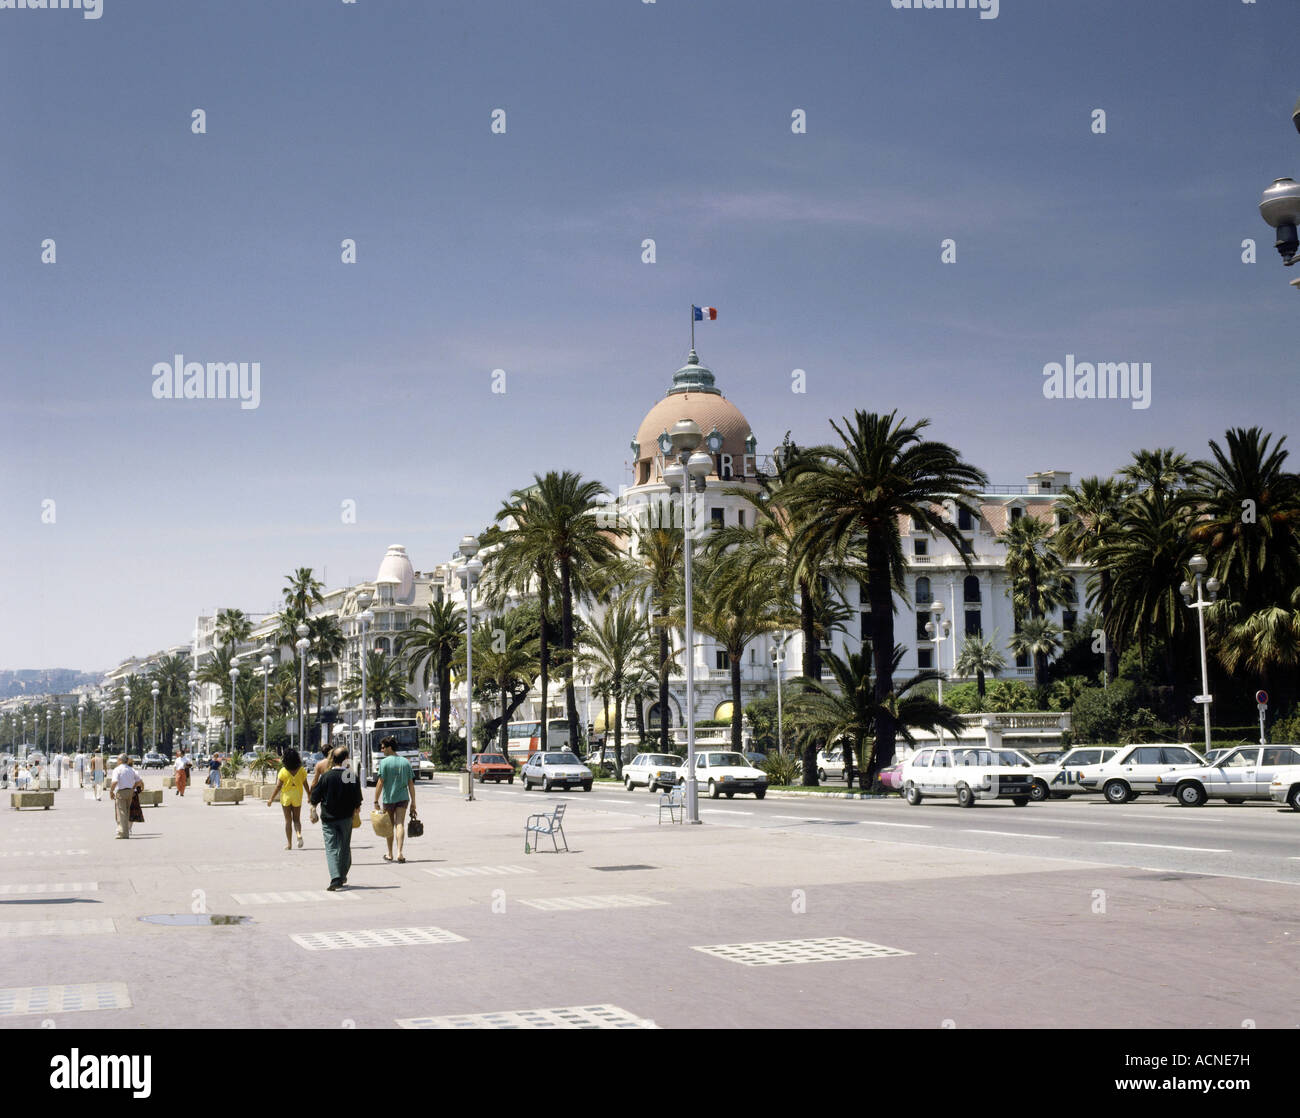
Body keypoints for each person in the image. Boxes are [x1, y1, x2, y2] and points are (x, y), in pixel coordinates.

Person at [309, 746, 362, 891]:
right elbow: (357, 798)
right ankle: (342, 875)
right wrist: (356, 808)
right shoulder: (351, 775)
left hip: (328, 818)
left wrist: (313, 808)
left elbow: (315, 796)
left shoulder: (326, 776)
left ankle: (335, 877)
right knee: (344, 846)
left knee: (331, 848)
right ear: (346, 759)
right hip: (346, 818)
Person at [373, 736, 416, 864]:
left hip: (389, 799)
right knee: (400, 824)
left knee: (389, 826)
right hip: (403, 798)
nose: (381, 749)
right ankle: (400, 853)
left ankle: (390, 854)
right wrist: (413, 802)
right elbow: (411, 784)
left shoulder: (384, 763)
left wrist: (375, 800)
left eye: (383, 747)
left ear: (389, 748)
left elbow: (380, 783)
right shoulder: (405, 762)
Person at [267, 748, 310, 850]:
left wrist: (271, 799)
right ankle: (298, 834)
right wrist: (309, 795)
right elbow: (305, 784)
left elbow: (278, 787)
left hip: (286, 797)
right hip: (297, 796)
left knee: (288, 820)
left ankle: (289, 844)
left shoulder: (283, 771)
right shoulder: (301, 770)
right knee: (296, 819)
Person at [107, 753, 142, 839]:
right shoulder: (131, 769)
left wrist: (111, 791)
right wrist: (133, 787)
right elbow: (139, 781)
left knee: (121, 813)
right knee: (126, 812)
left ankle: (123, 833)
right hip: (130, 792)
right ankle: (125, 832)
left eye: (118, 760)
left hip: (121, 792)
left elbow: (114, 782)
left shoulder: (117, 769)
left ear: (120, 760)